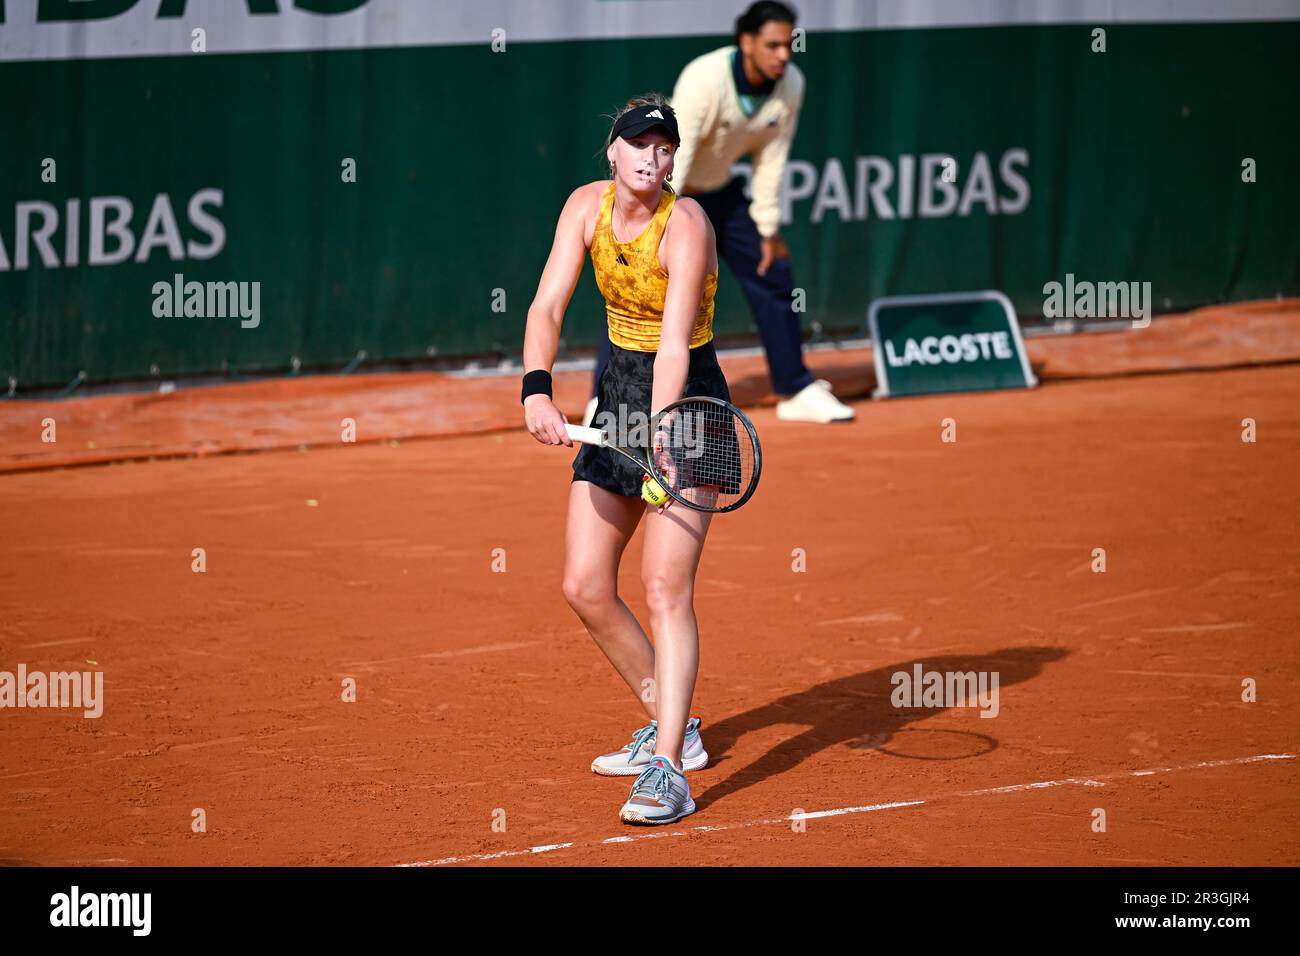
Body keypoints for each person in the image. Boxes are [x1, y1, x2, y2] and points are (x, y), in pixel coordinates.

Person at [521, 96, 725, 825]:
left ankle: (670, 768)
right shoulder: (585, 208)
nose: (652, 158)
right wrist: (537, 389)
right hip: (616, 397)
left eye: (665, 148)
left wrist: (666, 436)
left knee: (665, 587)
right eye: (638, 144)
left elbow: (674, 345)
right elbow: (547, 307)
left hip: (688, 406)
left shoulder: (687, 224)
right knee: (584, 584)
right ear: (612, 152)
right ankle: (678, 727)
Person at [584, 1, 854, 427]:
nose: (784, 54)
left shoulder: (791, 85)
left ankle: (795, 387)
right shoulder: (705, 79)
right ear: (746, 43)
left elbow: (772, 160)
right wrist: (662, 218)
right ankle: (605, 397)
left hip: (722, 194)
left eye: (788, 45)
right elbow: (674, 155)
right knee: (636, 285)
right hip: (670, 191)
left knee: (772, 270)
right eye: (773, 45)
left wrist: (767, 228)